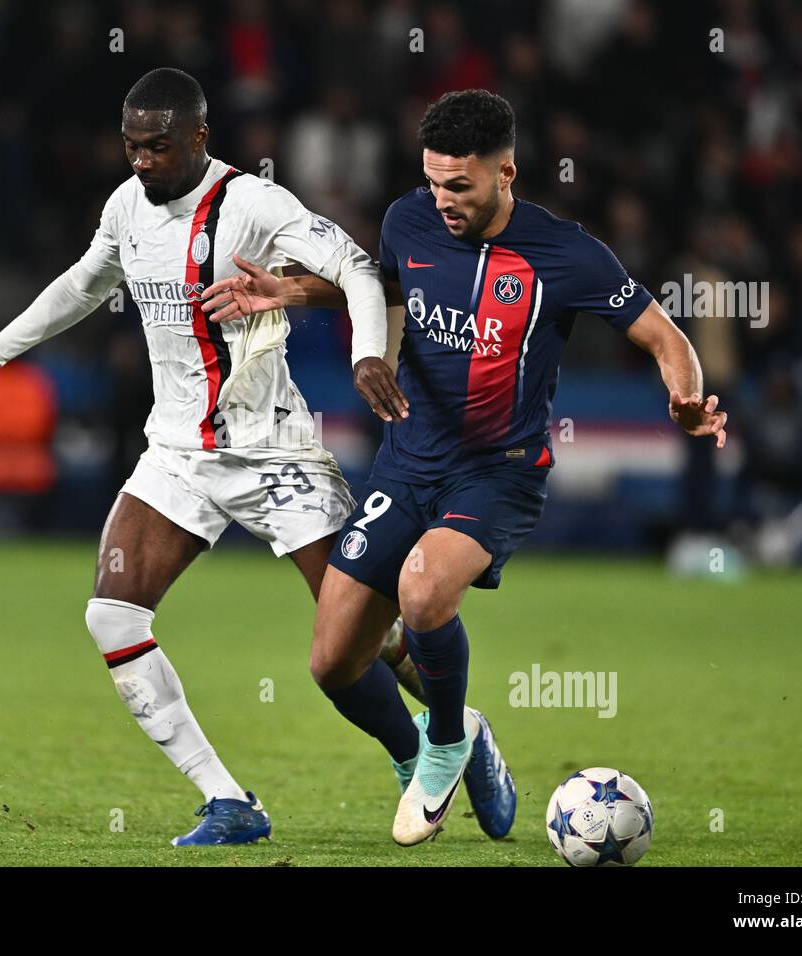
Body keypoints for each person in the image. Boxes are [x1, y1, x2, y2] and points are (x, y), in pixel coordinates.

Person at [201, 89, 728, 846]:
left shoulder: (566, 253)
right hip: (407, 462)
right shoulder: (408, 219)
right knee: (333, 663)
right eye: (434, 180)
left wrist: (685, 396)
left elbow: (663, 334)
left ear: (506, 173)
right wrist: (291, 291)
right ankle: (448, 742)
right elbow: (381, 289)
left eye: (461, 185)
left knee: (422, 590)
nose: (442, 200)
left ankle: (443, 744)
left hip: (498, 472)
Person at [0, 68, 425, 846]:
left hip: (272, 450)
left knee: (362, 639)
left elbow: (358, 268)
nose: (143, 162)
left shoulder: (254, 203)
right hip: (179, 451)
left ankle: (444, 741)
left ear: (200, 136)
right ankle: (231, 802)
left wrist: (366, 355)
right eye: (131, 147)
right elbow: (81, 285)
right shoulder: (126, 207)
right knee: (111, 614)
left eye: (159, 147)